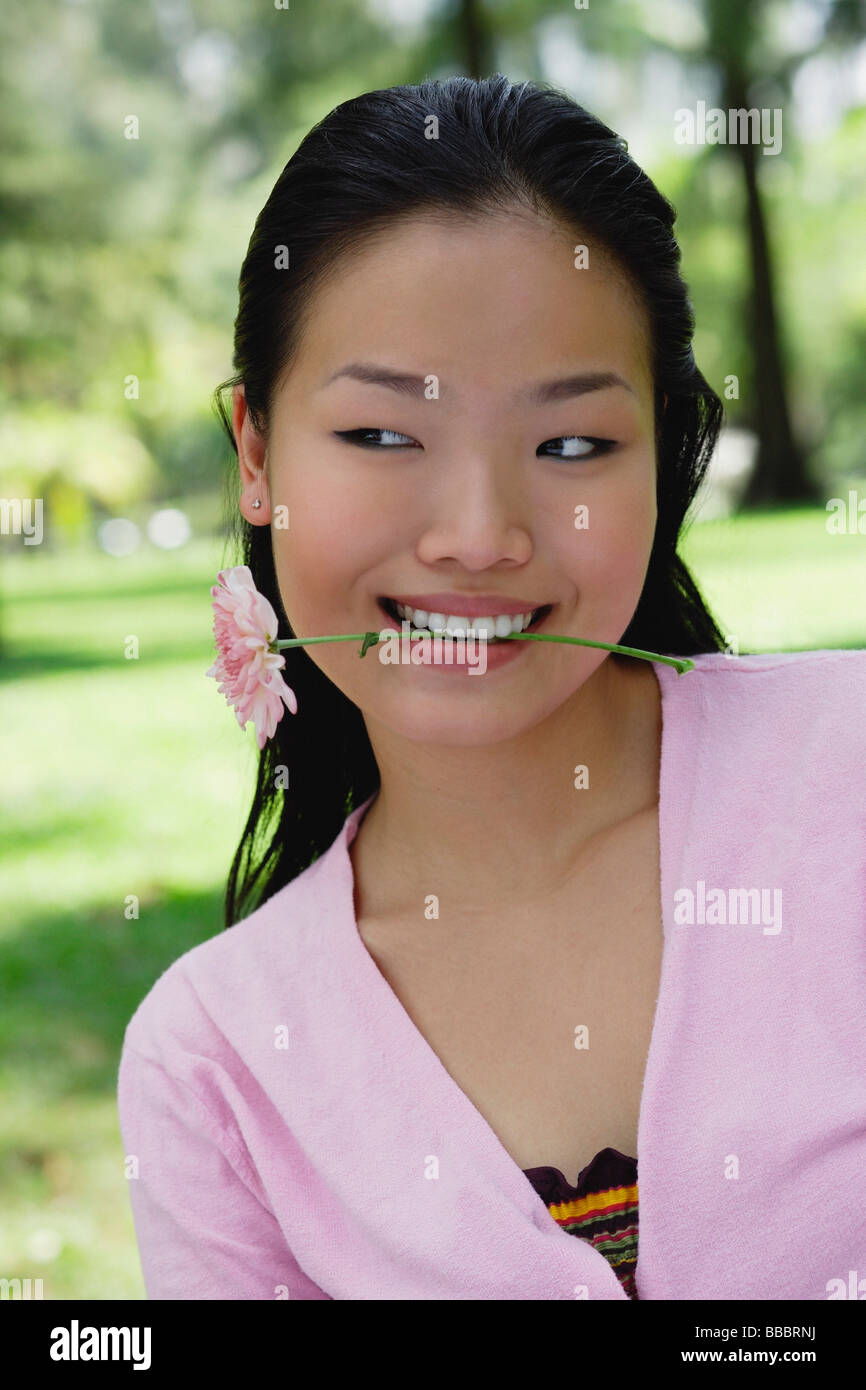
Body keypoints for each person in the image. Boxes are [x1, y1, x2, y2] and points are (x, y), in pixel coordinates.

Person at [117, 73, 866, 1301]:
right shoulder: (218, 1066)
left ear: (660, 455)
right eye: (380, 435)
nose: (478, 534)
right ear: (255, 452)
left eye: (570, 444)